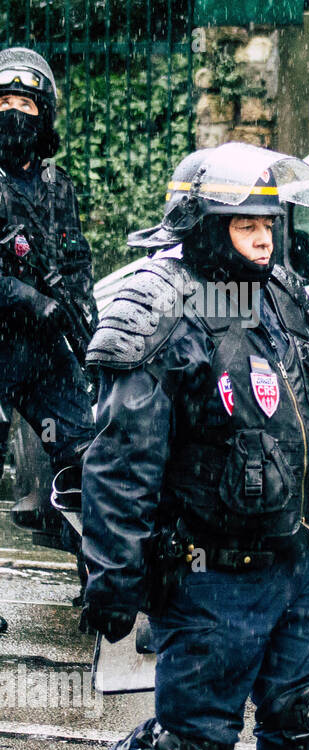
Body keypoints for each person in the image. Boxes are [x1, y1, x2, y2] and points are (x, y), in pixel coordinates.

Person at [19, 143, 309, 750]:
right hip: (211, 573)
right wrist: (112, 577)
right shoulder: (159, 304)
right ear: (207, 225)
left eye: (271, 223)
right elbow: (120, 462)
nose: (266, 238)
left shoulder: (280, 293)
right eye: (247, 226)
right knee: (195, 744)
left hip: (295, 564)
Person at [0, 47, 95, 563]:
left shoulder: (59, 189)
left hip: (44, 353)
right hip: (3, 342)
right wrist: (27, 299)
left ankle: (101, 586)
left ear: (45, 114)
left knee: (87, 454)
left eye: (26, 102)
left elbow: (78, 264)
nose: (14, 111)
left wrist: (90, 328)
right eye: (5, 100)